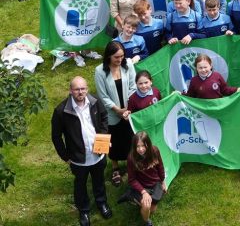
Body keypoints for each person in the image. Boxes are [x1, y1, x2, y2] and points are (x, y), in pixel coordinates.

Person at [52, 76, 112, 226]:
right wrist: (65, 156)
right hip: (78, 158)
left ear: (87, 89)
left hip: (98, 154)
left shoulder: (95, 101)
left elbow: (104, 117)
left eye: (83, 88)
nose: (80, 92)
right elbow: (56, 137)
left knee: (99, 181)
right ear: (70, 91)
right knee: (80, 185)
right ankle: (84, 210)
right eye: (77, 89)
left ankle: (101, 203)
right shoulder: (61, 111)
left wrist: (103, 138)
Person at [94, 42, 136, 188]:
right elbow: (102, 96)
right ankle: (115, 167)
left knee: (130, 138)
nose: (120, 60)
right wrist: (117, 110)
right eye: (116, 57)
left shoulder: (128, 64)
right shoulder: (100, 71)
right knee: (114, 140)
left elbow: (133, 86)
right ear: (108, 56)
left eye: (122, 56)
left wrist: (127, 107)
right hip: (112, 113)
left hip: (128, 110)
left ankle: (132, 165)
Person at [126, 131, 166, 225]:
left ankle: (133, 198)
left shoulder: (155, 151)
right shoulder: (131, 158)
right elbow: (132, 179)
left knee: (152, 209)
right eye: (137, 146)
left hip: (155, 183)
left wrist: (163, 181)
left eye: (143, 145)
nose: (140, 149)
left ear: (148, 143)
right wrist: (143, 192)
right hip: (142, 186)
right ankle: (147, 222)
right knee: (146, 206)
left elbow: (160, 167)